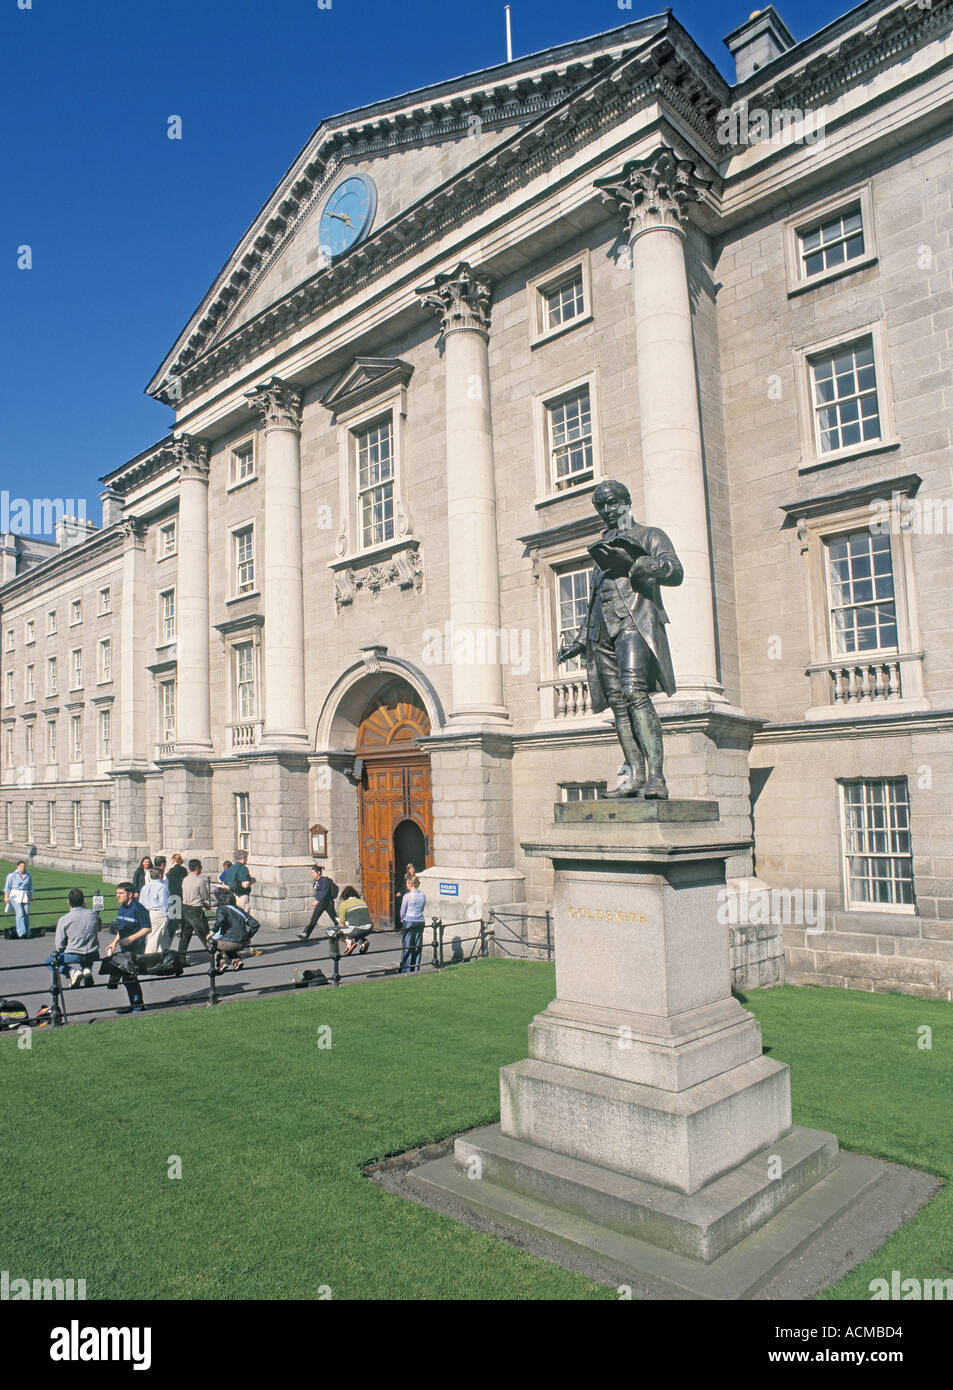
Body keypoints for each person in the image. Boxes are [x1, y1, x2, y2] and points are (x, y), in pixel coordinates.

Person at [556, 478, 683, 800]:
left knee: (634, 693)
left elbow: (674, 571)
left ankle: (657, 778)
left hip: (634, 621)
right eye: (601, 506)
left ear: (627, 502)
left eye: (612, 503)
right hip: (602, 631)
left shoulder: (649, 535)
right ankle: (634, 778)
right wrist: (581, 639)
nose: (607, 510)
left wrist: (635, 563)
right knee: (617, 704)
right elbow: (596, 597)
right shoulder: (602, 546)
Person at [102, 883, 150, 1013]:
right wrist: (114, 942)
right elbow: (122, 928)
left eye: (120, 893)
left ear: (129, 894)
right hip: (125, 948)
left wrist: (131, 939)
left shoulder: (139, 909)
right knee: (127, 977)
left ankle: (138, 1006)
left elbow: (147, 928)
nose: (117, 896)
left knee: (129, 976)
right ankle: (135, 1005)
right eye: (117, 893)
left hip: (136, 948)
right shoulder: (122, 908)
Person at [47, 888, 101, 987]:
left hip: (74, 954)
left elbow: (59, 945)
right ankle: (87, 969)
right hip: (93, 954)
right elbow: (98, 928)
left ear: (68, 902)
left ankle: (71, 972)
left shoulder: (64, 919)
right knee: (86, 951)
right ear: (84, 902)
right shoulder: (94, 915)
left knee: (49, 961)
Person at [207, 887, 261, 973]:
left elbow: (220, 919)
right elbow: (255, 924)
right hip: (241, 942)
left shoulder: (222, 908)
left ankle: (221, 962)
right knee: (226, 943)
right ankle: (236, 960)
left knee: (211, 942)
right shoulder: (240, 910)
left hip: (229, 942)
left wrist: (213, 931)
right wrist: (248, 936)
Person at [179, 859, 210, 961]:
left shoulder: (185, 879)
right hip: (195, 910)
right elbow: (204, 895)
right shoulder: (199, 880)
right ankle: (215, 954)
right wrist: (205, 904)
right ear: (197, 868)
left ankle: (181, 958)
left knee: (185, 935)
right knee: (205, 933)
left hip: (185, 908)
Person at [138, 858, 171, 953]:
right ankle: (148, 960)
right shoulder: (162, 887)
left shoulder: (145, 887)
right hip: (158, 913)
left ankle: (162, 957)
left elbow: (141, 902)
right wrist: (166, 915)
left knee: (163, 938)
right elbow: (164, 903)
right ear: (160, 875)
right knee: (153, 939)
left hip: (147, 912)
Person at [297, 866, 338, 940]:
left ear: (318, 872)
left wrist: (317, 900)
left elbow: (324, 891)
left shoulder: (324, 880)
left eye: (313, 873)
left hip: (327, 903)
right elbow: (319, 891)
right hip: (322, 903)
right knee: (314, 919)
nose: (312, 874)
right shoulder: (317, 881)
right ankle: (305, 933)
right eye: (311, 873)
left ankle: (342, 931)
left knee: (334, 918)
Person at [333, 886, 373, 957]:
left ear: (344, 895)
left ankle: (349, 942)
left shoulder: (344, 904)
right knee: (357, 926)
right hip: (369, 928)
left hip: (356, 929)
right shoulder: (363, 902)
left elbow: (341, 923)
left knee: (336, 931)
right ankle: (363, 941)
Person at [398, 876, 426, 974]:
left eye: (407, 883)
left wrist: (402, 919)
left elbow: (402, 911)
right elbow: (422, 909)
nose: (406, 885)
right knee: (417, 946)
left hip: (409, 921)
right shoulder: (423, 895)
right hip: (420, 921)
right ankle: (416, 968)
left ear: (410, 884)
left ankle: (407, 969)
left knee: (408, 946)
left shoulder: (407, 896)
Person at [4, 860, 34, 939]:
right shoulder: (11, 876)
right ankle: (21, 932)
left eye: (24, 866)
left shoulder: (28, 875)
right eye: (21, 866)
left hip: (25, 895)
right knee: (20, 913)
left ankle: (27, 932)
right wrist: (6, 897)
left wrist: (31, 896)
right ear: (17, 867)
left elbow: (30, 887)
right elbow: (7, 887)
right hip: (15, 895)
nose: (23, 868)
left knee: (26, 914)